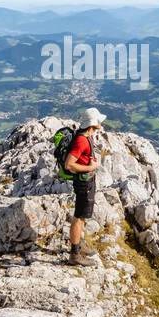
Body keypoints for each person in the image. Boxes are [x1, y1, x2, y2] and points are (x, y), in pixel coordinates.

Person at [64, 107, 106, 265]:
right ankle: (74, 255)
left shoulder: (86, 135)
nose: (101, 125)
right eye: (99, 123)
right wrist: (90, 168)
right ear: (92, 125)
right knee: (79, 217)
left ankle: (79, 245)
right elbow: (69, 164)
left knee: (82, 216)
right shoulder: (81, 140)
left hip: (86, 182)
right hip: (83, 184)